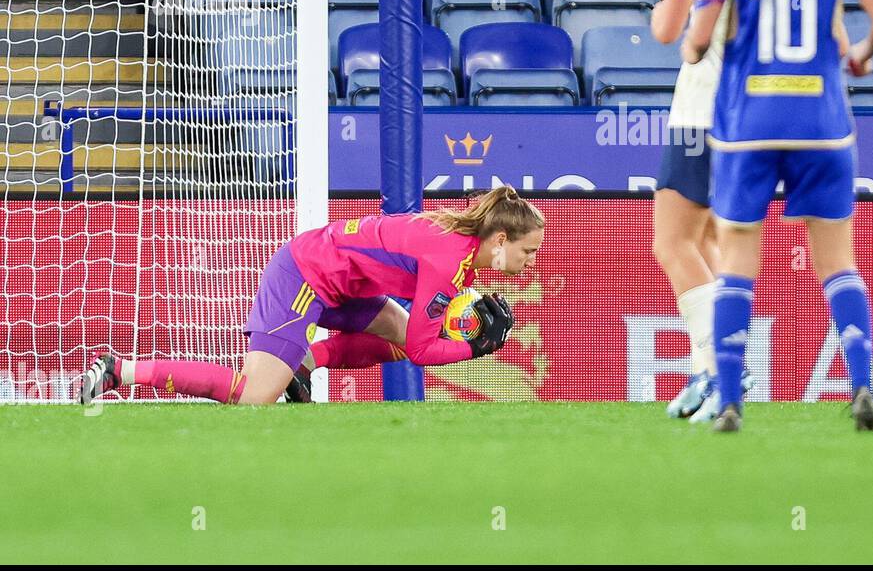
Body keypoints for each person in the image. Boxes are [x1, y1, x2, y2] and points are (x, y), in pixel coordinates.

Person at [682, 0, 873, 433]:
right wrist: (856, 56)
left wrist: (706, 42)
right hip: (822, 125)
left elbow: (696, 44)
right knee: (837, 262)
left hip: (747, 125)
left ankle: (729, 402)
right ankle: (862, 386)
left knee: (737, 265)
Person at [79, 186, 543, 405]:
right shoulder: (450, 261)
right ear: (500, 239)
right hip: (305, 276)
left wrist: (465, 326)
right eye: (529, 250)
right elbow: (426, 351)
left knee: (399, 335)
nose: (533, 260)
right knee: (250, 397)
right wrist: (475, 346)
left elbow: (423, 328)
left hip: (347, 283)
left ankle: (306, 365)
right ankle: (121, 369)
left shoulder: (460, 249)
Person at [651, 0, 755, 422]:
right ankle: (710, 371)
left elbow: (669, 30)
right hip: (755, 116)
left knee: (672, 243)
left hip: (701, 112)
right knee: (712, 241)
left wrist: (660, 8)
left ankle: (721, 366)